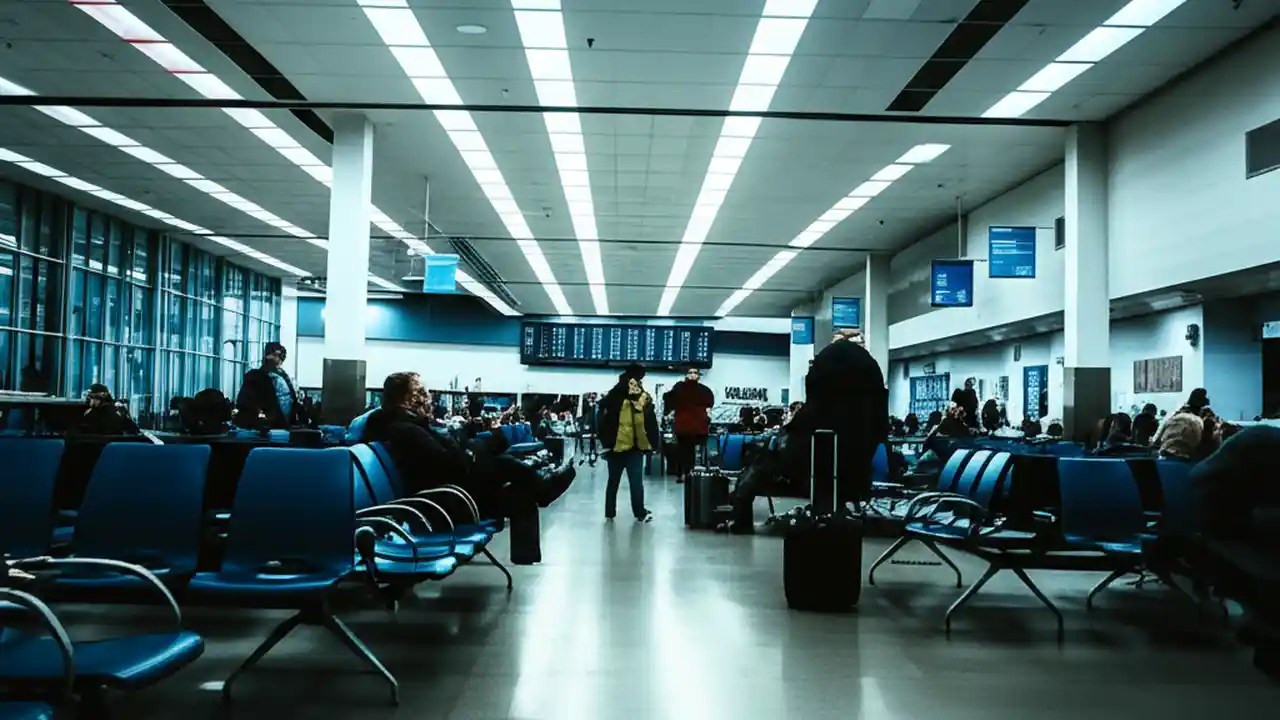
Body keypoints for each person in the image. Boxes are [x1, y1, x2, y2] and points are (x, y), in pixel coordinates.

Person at [362, 371, 575, 524]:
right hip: (442, 503)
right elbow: (453, 465)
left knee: (519, 492)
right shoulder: (407, 430)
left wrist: (471, 445)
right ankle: (544, 488)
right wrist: (473, 448)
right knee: (504, 466)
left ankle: (542, 491)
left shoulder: (411, 427)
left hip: (449, 494)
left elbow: (449, 458)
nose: (428, 398)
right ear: (407, 400)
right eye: (421, 392)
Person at [599, 364, 659, 523]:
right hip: (634, 446)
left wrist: (605, 442)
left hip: (616, 447)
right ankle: (639, 512)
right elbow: (650, 422)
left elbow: (603, 422)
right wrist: (654, 443)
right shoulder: (642, 397)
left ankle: (610, 512)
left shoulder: (613, 395)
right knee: (636, 482)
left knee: (613, 482)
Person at [234, 342, 307, 430]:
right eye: (274, 355)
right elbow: (245, 403)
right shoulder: (257, 376)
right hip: (269, 425)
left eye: (277, 355)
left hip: (280, 424)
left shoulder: (282, 376)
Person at [662, 366, 715, 484]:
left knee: (684, 450)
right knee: (687, 451)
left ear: (698, 375)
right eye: (691, 373)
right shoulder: (704, 391)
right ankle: (687, 473)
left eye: (694, 373)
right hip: (693, 427)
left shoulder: (680, 388)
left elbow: (668, 399)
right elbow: (709, 405)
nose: (692, 375)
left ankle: (683, 473)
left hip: (688, 426)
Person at [76, 383, 140, 435]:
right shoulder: (120, 410)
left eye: (91, 397)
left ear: (100, 397)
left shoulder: (89, 413)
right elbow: (134, 431)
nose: (90, 400)